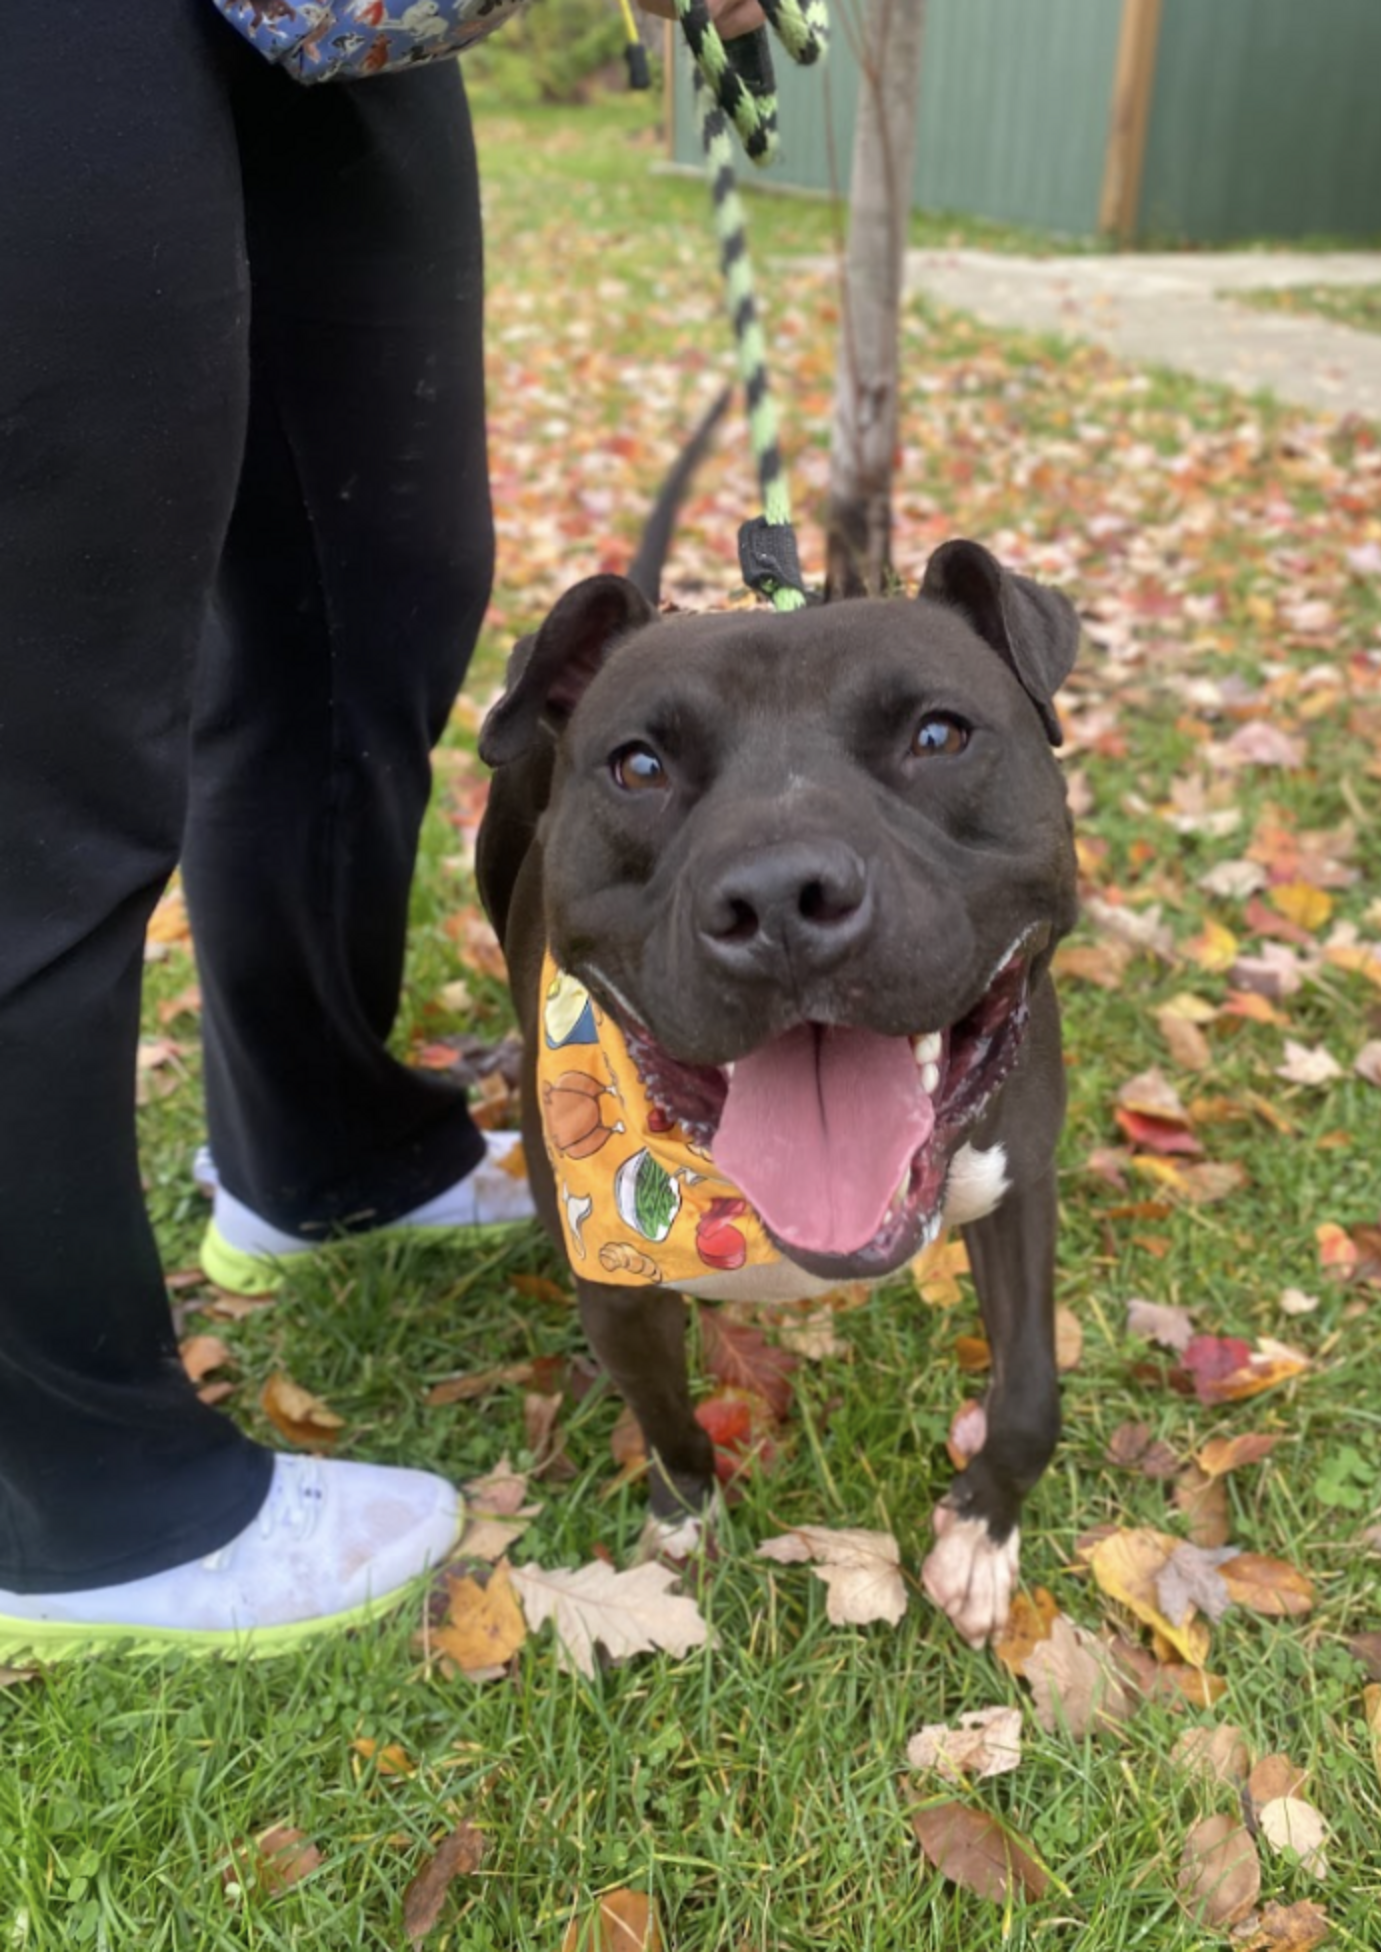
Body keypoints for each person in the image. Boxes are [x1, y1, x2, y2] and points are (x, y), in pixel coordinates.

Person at [0, 0, 763, 1660]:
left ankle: (321, 1154)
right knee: (41, 709)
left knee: (370, 593)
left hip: (343, 24)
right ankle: (67, 1493)